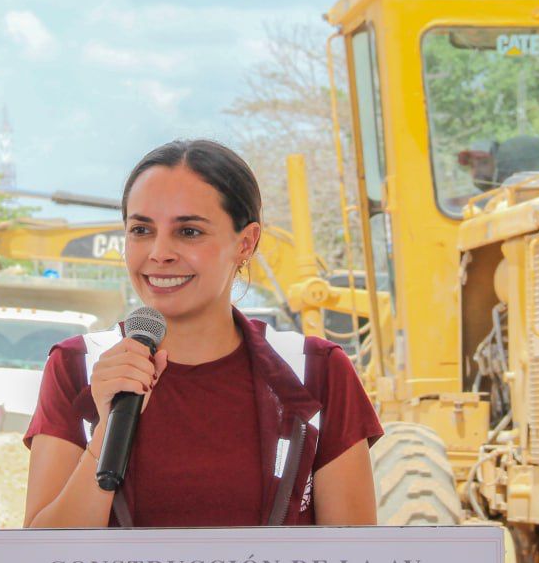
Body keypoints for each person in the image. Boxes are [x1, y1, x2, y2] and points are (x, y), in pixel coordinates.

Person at [23, 139, 381, 529]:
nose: (159, 252)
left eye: (189, 232)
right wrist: (106, 432)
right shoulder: (77, 367)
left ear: (246, 243)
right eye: (141, 229)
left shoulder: (317, 373)